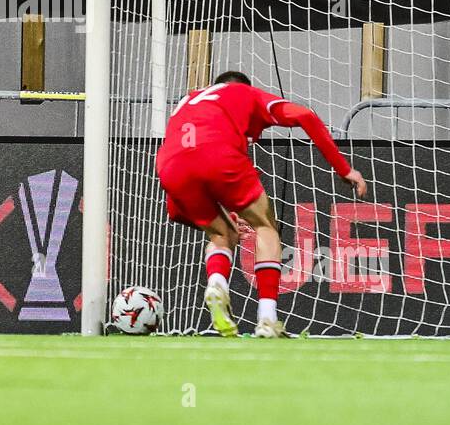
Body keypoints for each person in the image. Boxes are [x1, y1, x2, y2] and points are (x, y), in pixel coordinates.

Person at [156, 71, 368, 337]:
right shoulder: (246, 93)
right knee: (265, 226)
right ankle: (267, 318)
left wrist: (224, 220)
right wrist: (344, 169)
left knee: (222, 234)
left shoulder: (187, 102)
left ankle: (217, 281)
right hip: (220, 155)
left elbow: (175, 211)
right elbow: (305, 116)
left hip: (170, 166)